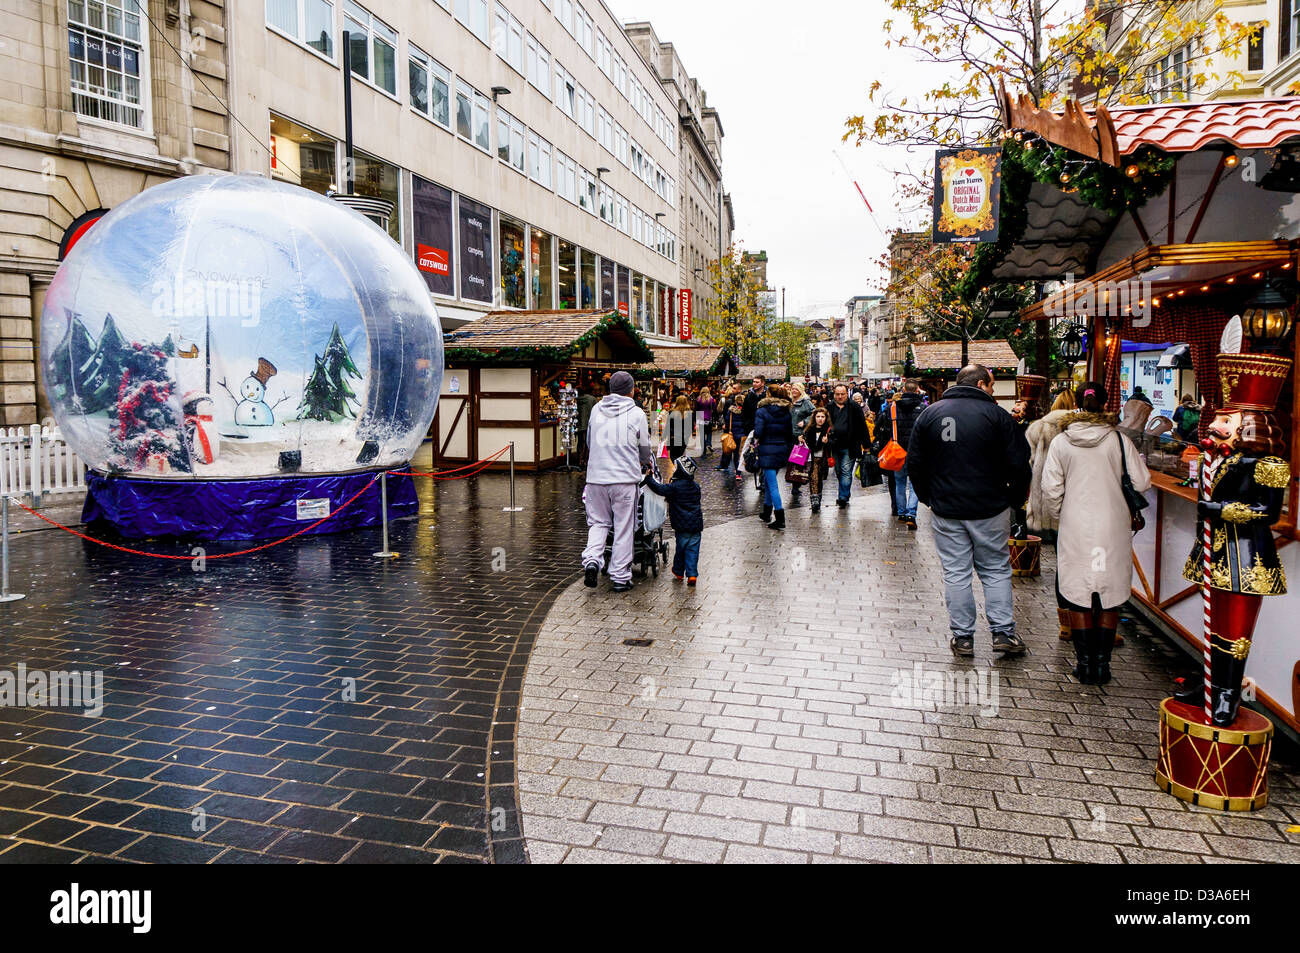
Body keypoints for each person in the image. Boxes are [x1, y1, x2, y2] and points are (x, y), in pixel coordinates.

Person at [907, 364, 1032, 657]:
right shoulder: (998, 416)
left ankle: (963, 637)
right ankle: (1003, 633)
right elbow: (1018, 463)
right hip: (990, 506)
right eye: (990, 385)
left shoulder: (931, 414)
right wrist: (1013, 498)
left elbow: (915, 462)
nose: (992, 390)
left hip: (947, 508)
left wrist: (929, 497)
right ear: (980, 385)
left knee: (956, 572)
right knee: (996, 570)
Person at [1040, 381, 1150, 685]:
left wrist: (1063, 515)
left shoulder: (1062, 442)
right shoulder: (1118, 441)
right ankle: (1102, 666)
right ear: (1105, 404)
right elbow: (1141, 483)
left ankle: (1084, 664)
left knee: (1078, 594)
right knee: (1108, 594)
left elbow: (1051, 489)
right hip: (1112, 527)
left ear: (1077, 404)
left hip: (1076, 526)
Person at [582, 371, 654, 593]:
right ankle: (621, 577)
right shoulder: (637, 413)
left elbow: (588, 440)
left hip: (596, 478)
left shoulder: (596, 409)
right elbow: (645, 449)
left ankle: (593, 560)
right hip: (623, 479)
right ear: (631, 390)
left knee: (598, 523)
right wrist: (644, 463)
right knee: (623, 527)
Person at [642, 455, 704, 586]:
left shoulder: (675, 487)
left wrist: (648, 478)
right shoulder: (696, 487)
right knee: (693, 550)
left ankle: (678, 571)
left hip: (682, 526)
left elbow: (660, 489)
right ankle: (692, 575)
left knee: (681, 549)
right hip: (696, 526)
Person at [874, 379, 925, 529]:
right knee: (915, 484)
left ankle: (901, 512)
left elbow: (883, 427)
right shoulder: (923, 408)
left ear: (903, 390)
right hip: (916, 450)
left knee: (900, 482)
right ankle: (911, 513)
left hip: (898, 450)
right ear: (917, 390)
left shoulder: (892, 407)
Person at [753, 384, 794, 530]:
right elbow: (790, 432)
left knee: (772, 484)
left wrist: (754, 442)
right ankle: (766, 510)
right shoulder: (786, 411)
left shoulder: (762, 411)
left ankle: (780, 517)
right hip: (781, 448)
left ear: (769, 394)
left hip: (767, 448)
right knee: (769, 479)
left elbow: (758, 431)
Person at [827, 383, 869, 507]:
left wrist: (866, 445)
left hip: (850, 445)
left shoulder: (854, 407)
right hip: (834, 445)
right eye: (837, 394)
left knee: (846, 471)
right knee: (839, 471)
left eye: (842, 394)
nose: (840, 397)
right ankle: (844, 492)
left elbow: (862, 426)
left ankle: (843, 497)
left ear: (847, 394)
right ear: (834, 394)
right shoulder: (829, 407)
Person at [801, 404, 833, 513]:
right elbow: (806, 444)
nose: (820, 419)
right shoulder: (809, 430)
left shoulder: (829, 430)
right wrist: (801, 438)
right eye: (818, 416)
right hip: (812, 458)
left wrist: (827, 442)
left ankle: (818, 498)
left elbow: (833, 444)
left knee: (820, 480)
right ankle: (814, 501)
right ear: (814, 418)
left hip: (823, 459)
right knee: (813, 478)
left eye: (822, 417)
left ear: (826, 418)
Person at [719, 389, 748, 484]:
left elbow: (727, 422)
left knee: (733, 453)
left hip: (733, 434)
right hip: (743, 435)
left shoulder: (731, 411)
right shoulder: (746, 412)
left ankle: (736, 469)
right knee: (738, 454)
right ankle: (738, 473)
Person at [667, 394, 693, 463]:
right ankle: (679, 469)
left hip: (674, 438)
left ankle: (677, 469)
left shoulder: (672, 412)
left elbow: (668, 426)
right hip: (683, 438)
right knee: (680, 455)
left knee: (673, 456)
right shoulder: (689, 413)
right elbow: (691, 428)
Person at [576, 385, 597, 466]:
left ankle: (579, 460)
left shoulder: (575, 400)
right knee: (587, 443)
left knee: (580, 442)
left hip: (579, 424)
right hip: (589, 424)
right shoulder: (592, 399)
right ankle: (585, 460)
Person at [695, 386, 717, 455]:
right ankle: (708, 443)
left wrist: (695, 420)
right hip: (708, 417)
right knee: (709, 432)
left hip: (700, 418)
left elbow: (696, 409)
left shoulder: (698, 399)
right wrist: (715, 418)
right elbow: (715, 409)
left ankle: (703, 449)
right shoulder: (711, 399)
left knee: (702, 434)